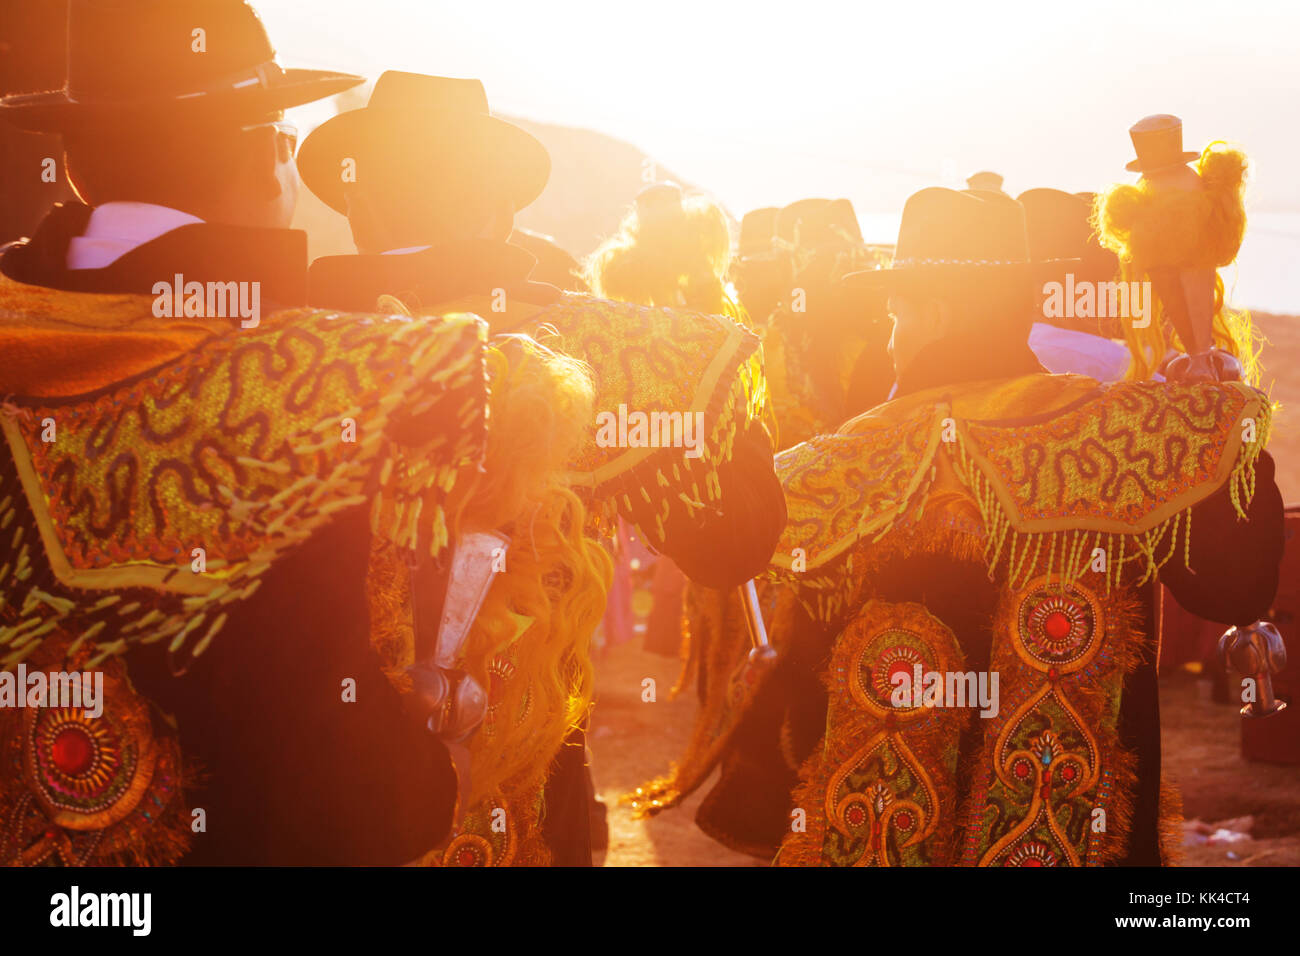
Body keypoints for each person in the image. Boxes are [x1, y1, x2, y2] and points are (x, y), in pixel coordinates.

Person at [0, 0, 496, 866]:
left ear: (75, 167)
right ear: (267, 157)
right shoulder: (311, 380)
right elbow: (344, 792)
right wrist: (434, 769)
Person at [295, 71, 787, 865]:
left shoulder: (266, 349)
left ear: (357, 207)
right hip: (525, 788)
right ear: (502, 210)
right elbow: (737, 543)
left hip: (319, 793)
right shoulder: (613, 352)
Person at [761, 187, 1284, 865]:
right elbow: (1236, 589)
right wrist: (1218, 425)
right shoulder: (1123, 433)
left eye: (895, 316)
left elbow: (797, 696)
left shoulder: (850, 459)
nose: (890, 339)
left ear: (938, 313)